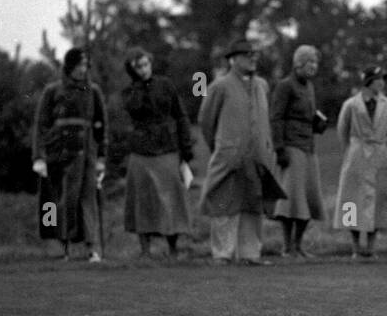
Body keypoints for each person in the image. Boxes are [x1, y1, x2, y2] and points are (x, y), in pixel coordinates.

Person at [197, 39, 281, 265]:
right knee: (224, 205)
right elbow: (206, 121)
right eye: (246, 55)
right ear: (233, 59)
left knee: (253, 205)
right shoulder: (219, 86)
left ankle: (250, 254)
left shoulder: (262, 85)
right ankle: (222, 254)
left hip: (257, 158)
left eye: (254, 54)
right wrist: (223, 146)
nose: (252, 58)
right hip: (229, 157)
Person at [32, 47, 108, 262]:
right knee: (63, 200)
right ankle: (63, 247)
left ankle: (91, 247)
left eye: (86, 65)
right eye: (79, 65)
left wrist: (102, 157)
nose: (83, 70)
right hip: (60, 152)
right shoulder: (52, 91)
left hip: (87, 153)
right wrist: (38, 156)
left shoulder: (93, 91)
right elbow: (41, 124)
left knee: (88, 198)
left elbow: (102, 127)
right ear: (70, 67)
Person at [121, 48, 194, 258]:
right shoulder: (130, 91)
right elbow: (133, 108)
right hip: (141, 149)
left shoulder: (166, 85)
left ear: (150, 63)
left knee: (170, 198)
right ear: (132, 70)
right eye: (138, 67)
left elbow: (180, 116)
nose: (143, 70)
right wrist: (138, 85)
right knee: (142, 201)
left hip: (166, 146)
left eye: (145, 64)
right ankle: (145, 251)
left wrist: (186, 148)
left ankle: (173, 249)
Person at [270, 45, 328, 258]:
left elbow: (309, 115)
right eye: (309, 62)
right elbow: (276, 117)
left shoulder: (309, 87)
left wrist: (318, 124)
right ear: (298, 64)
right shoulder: (285, 86)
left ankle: (298, 245)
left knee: (309, 196)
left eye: (315, 62)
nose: (313, 66)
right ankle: (287, 246)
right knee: (290, 199)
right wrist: (279, 148)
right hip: (291, 146)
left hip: (309, 147)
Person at [333, 65, 387, 258]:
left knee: (377, 198)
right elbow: (342, 129)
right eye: (378, 79)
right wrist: (351, 150)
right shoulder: (351, 104)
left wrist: (381, 146)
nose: (382, 83)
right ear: (368, 81)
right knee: (351, 198)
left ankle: (371, 246)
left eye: (383, 79)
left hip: (379, 152)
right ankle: (354, 245)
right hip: (357, 152)